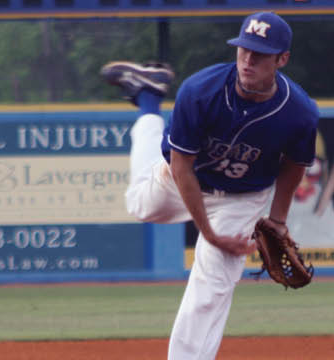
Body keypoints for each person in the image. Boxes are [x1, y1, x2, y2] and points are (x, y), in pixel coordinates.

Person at [101, 11, 318, 359]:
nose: (248, 59)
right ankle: (148, 98)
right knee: (139, 205)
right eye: (244, 48)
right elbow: (181, 166)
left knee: (212, 285)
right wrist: (208, 231)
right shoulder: (200, 91)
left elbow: (295, 165)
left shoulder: (299, 112)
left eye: (260, 54)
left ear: (282, 59)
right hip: (184, 179)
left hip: (242, 198)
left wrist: (277, 219)